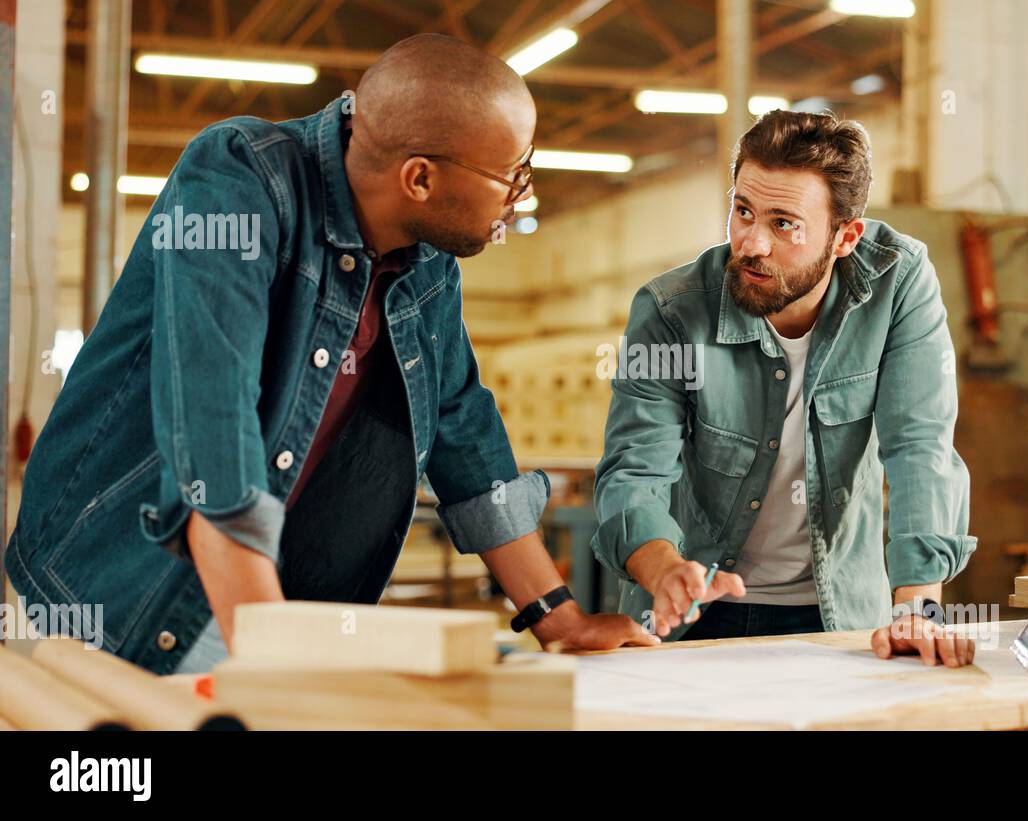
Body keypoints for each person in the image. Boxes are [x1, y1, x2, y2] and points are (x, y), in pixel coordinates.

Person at [5, 34, 655, 674]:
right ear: (420, 178)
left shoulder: (427, 265)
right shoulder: (240, 179)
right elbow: (212, 423)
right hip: (123, 590)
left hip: (274, 597)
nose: (521, 193)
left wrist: (561, 619)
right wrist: (281, 672)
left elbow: (464, 430)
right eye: (509, 172)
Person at [591, 110, 977, 666]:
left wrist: (918, 609)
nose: (751, 244)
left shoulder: (898, 283)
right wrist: (663, 567)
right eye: (742, 211)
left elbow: (920, 447)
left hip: (838, 615)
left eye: (783, 224)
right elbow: (635, 467)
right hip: (690, 615)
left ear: (845, 237)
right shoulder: (670, 311)